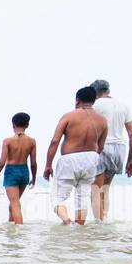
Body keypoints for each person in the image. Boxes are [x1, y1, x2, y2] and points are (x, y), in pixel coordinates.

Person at [43, 87, 106, 225]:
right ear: (94, 100)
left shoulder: (69, 116)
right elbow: (101, 147)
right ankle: (79, 227)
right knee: (82, 198)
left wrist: (48, 165)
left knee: (57, 199)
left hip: (69, 159)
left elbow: (55, 141)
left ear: (78, 100)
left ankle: (66, 221)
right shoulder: (102, 120)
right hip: (91, 158)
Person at [89, 79, 132, 221]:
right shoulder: (123, 106)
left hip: (102, 147)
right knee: (105, 189)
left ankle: (98, 224)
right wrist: (131, 159)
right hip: (119, 149)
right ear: (107, 90)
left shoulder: (95, 105)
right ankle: (104, 220)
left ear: (95, 92)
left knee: (95, 190)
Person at [0, 112, 37, 224]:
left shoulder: (8, 141)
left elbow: (2, 162)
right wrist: (34, 178)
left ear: (13, 124)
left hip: (11, 172)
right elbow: (33, 163)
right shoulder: (31, 141)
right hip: (24, 172)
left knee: (15, 203)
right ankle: (11, 231)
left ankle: (19, 230)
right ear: (27, 125)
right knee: (13, 204)